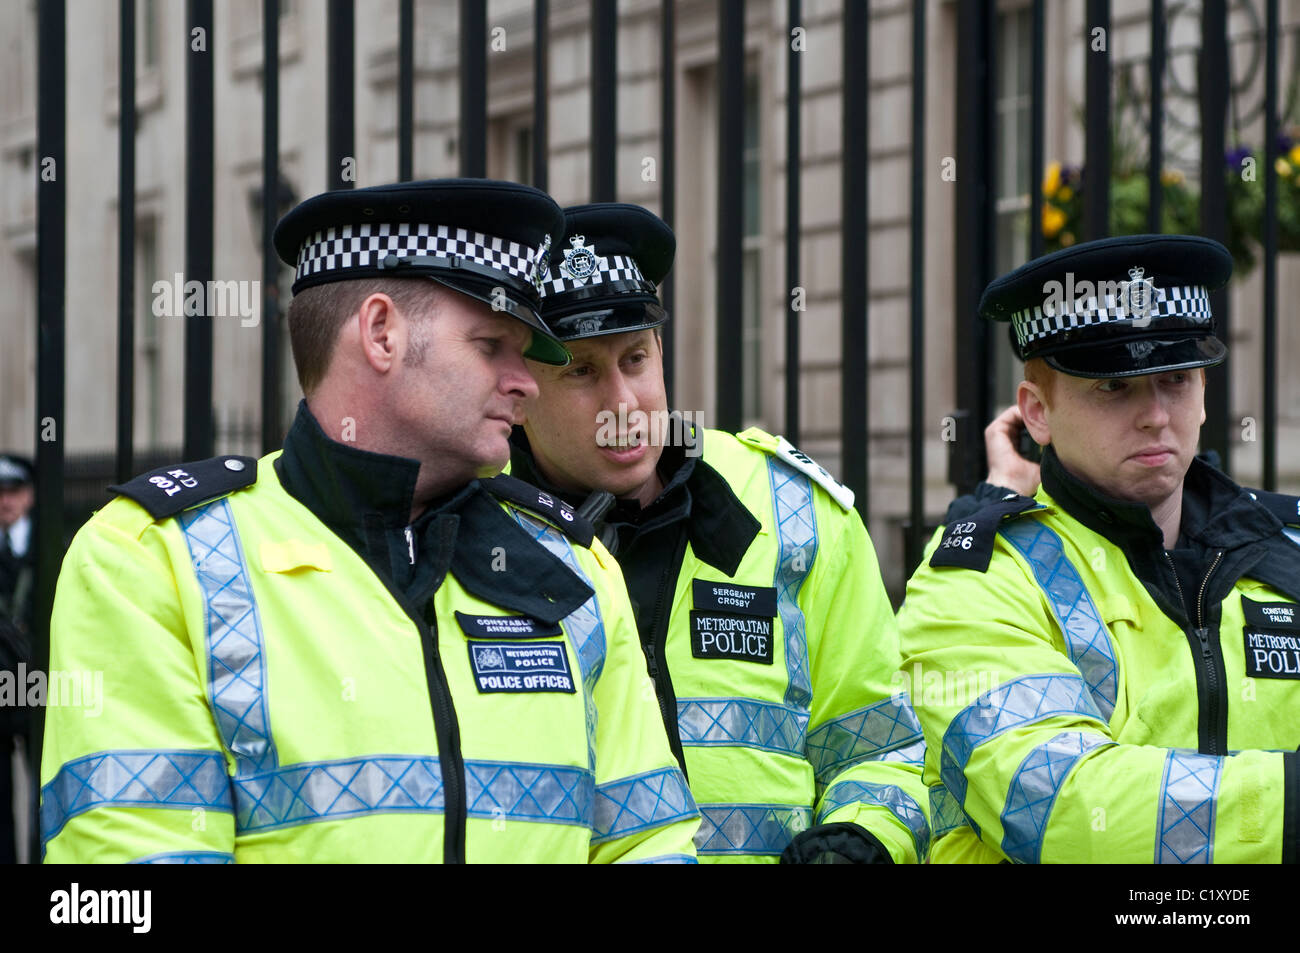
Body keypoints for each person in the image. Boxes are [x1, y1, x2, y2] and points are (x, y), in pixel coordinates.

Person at [40, 179, 699, 864]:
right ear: (381, 333)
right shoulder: (153, 561)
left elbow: (648, 841)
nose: (526, 379)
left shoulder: (574, 565)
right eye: (491, 345)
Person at [509, 203, 930, 863]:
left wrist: (861, 837)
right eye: (581, 371)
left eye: (636, 357)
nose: (624, 403)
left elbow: (884, 746)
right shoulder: (474, 532)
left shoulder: (795, 510)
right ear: (520, 384)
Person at [900, 233, 1300, 863]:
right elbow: (1059, 804)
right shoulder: (972, 580)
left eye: (1175, 378)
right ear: (1037, 414)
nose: (1155, 414)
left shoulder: (1289, 548)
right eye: (1114, 387)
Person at [0, 453, 34, 865]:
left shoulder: (53, 542)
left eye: (13, 491)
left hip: (43, 686)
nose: (6, 501)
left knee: (45, 795)